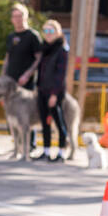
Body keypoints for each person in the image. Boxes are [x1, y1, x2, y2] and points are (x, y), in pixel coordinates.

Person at [4, 2, 42, 151]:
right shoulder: (11, 37)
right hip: (11, 83)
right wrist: (3, 76)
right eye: (15, 16)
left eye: (20, 16)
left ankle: (30, 145)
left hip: (25, 82)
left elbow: (39, 58)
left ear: (25, 17)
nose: (17, 19)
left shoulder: (32, 36)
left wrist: (28, 74)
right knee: (12, 114)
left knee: (26, 114)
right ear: (12, 19)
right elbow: (8, 57)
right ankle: (17, 145)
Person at [35, 19, 69, 161]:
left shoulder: (61, 50)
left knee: (59, 122)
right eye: (46, 31)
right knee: (45, 122)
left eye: (51, 31)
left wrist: (54, 94)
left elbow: (60, 75)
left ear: (58, 32)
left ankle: (61, 153)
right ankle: (46, 151)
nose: (48, 34)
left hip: (55, 92)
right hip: (42, 89)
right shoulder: (44, 49)